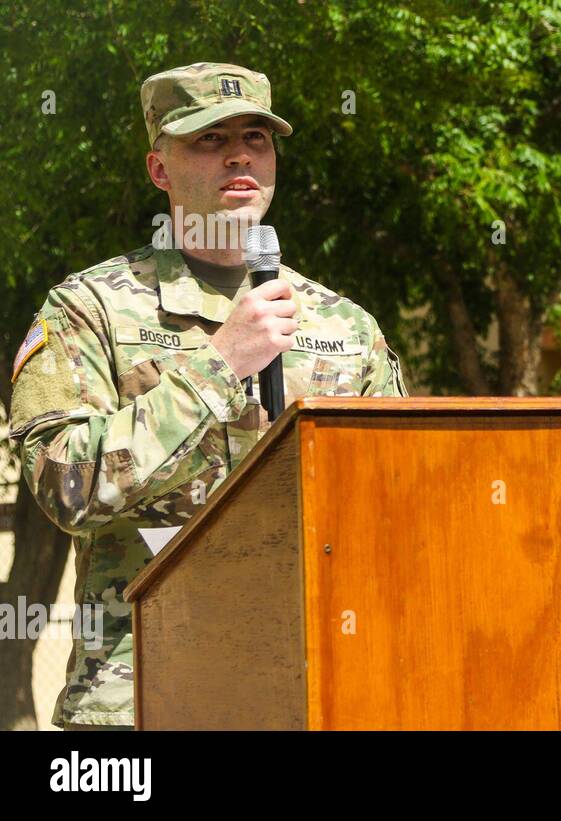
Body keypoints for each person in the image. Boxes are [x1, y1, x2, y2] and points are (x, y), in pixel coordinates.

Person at [7, 62, 407, 730]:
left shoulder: (346, 327)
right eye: (208, 139)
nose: (240, 154)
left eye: (256, 136)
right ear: (159, 169)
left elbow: (395, 517)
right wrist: (220, 363)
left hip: (313, 698)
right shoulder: (88, 309)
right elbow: (63, 485)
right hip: (142, 703)